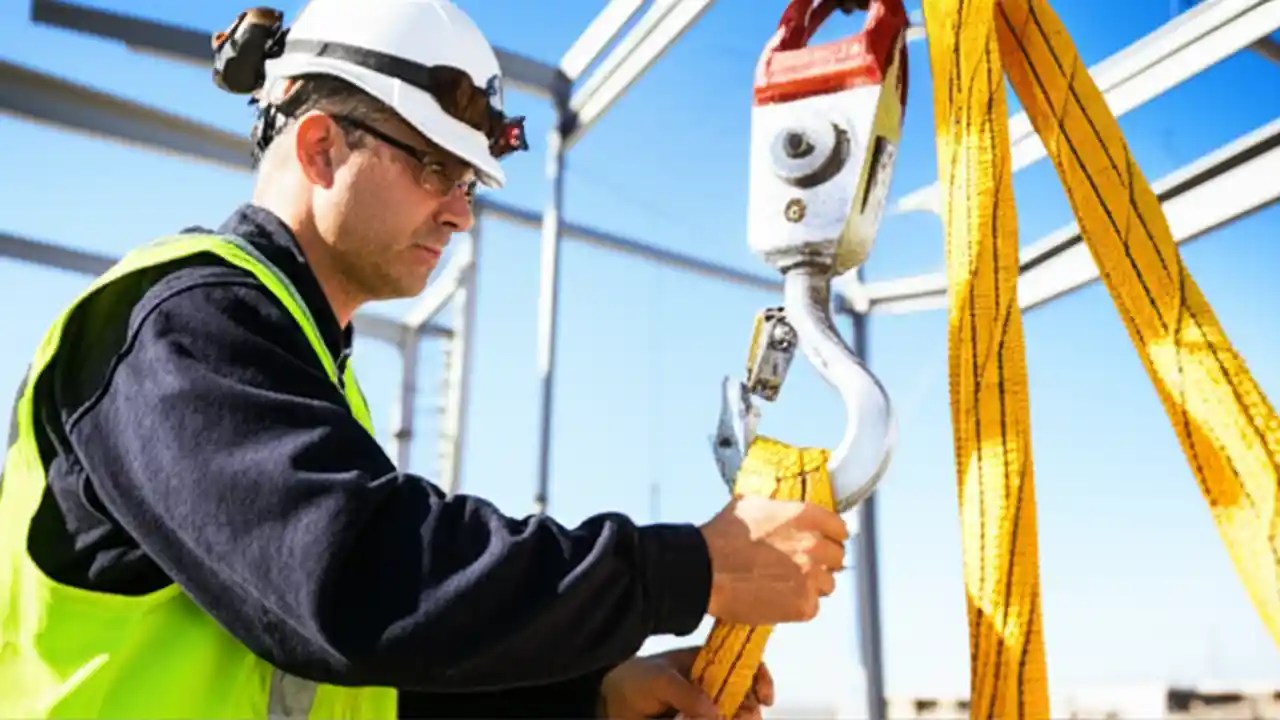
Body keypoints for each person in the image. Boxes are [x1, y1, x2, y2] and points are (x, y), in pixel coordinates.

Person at [0, 0, 850, 717]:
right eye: (437, 168)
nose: (460, 215)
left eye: (470, 185)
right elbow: (356, 586)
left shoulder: (296, 364)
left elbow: (364, 672)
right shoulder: (181, 327)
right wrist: (689, 569)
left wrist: (591, 691)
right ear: (320, 146)